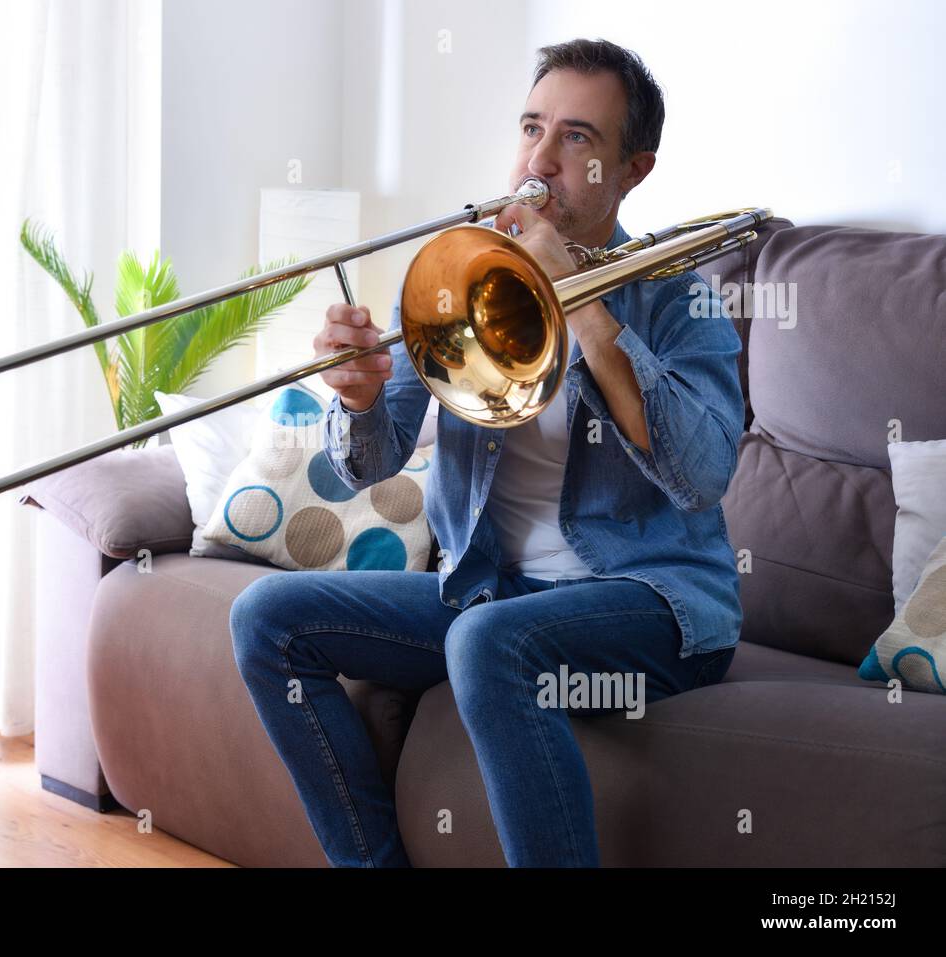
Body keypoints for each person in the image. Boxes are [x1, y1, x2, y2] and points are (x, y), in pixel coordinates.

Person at [230, 37, 743, 867]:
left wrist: (583, 307)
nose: (540, 159)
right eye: (532, 127)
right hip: (491, 588)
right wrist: (355, 398)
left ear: (634, 170)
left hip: (658, 602)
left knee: (487, 639)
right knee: (266, 620)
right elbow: (369, 460)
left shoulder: (682, 294)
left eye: (578, 138)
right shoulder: (468, 274)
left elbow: (702, 475)